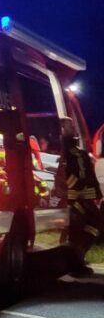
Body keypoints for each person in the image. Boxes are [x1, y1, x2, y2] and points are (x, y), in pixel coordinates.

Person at [56, 117, 101, 277]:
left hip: (83, 198)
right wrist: (77, 188)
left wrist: (96, 192)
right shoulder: (65, 152)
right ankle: (76, 262)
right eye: (70, 127)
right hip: (74, 199)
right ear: (62, 129)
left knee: (93, 224)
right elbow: (63, 175)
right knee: (77, 230)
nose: (74, 129)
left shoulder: (79, 152)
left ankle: (77, 258)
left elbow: (88, 174)